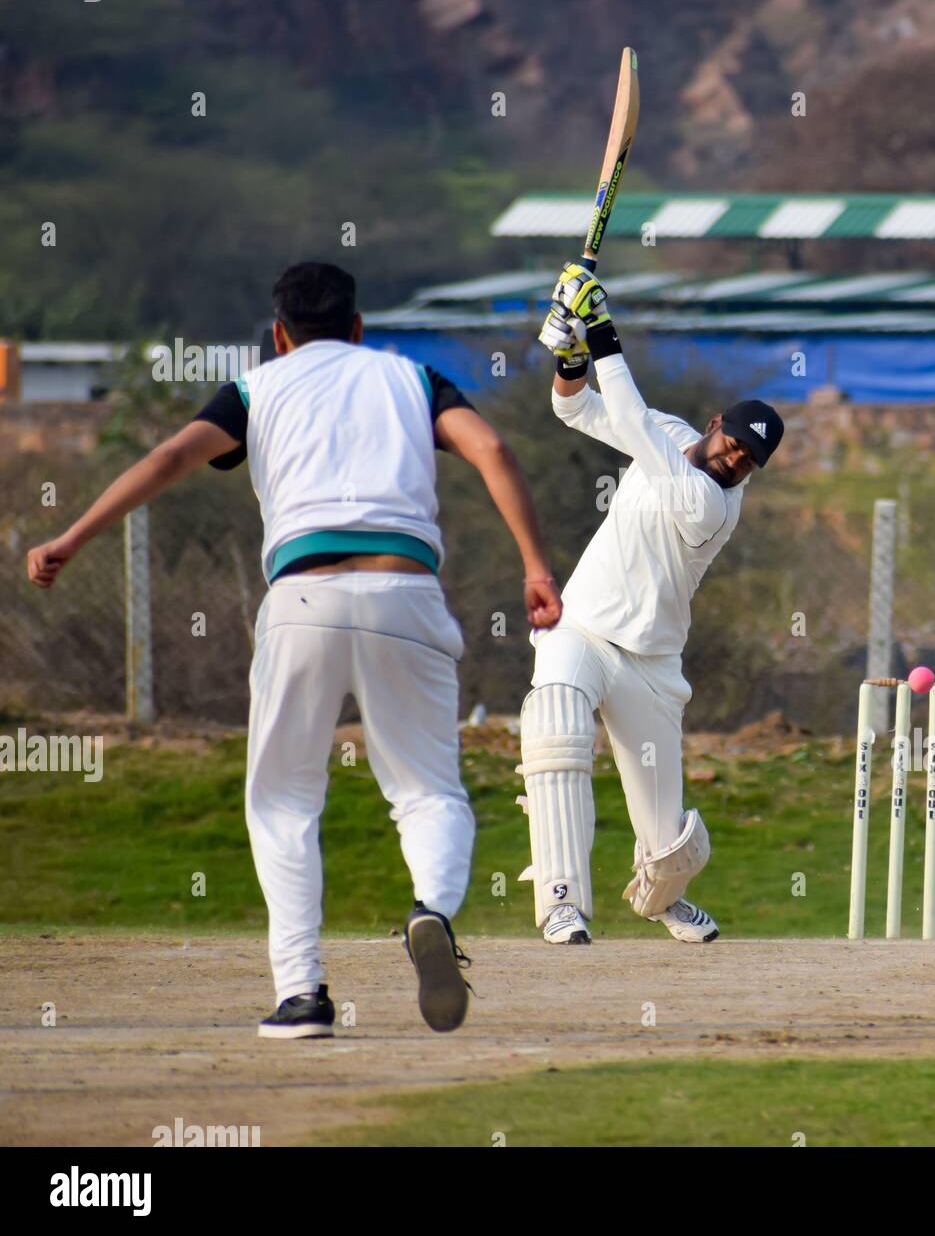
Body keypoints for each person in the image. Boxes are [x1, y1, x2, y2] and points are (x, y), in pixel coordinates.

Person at [26, 262, 563, 1035]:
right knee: (428, 789)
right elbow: (494, 448)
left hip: (303, 599)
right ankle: (432, 911)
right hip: (404, 592)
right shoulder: (412, 378)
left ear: (279, 334)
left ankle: (303, 992)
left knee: (282, 798)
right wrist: (536, 567)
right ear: (358, 327)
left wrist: (73, 536)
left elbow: (169, 458)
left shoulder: (257, 387)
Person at [514, 261, 785, 945]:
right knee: (554, 720)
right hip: (582, 628)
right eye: (732, 445)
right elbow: (575, 408)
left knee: (671, 842)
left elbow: (629, 416)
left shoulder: (713, 506)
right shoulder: (666, 432)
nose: (734, 462)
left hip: (652, 664)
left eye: (748, 462)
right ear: (717, 422)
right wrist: (571, 358)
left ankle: (659, 898)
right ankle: (562, 902)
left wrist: (600, 328)